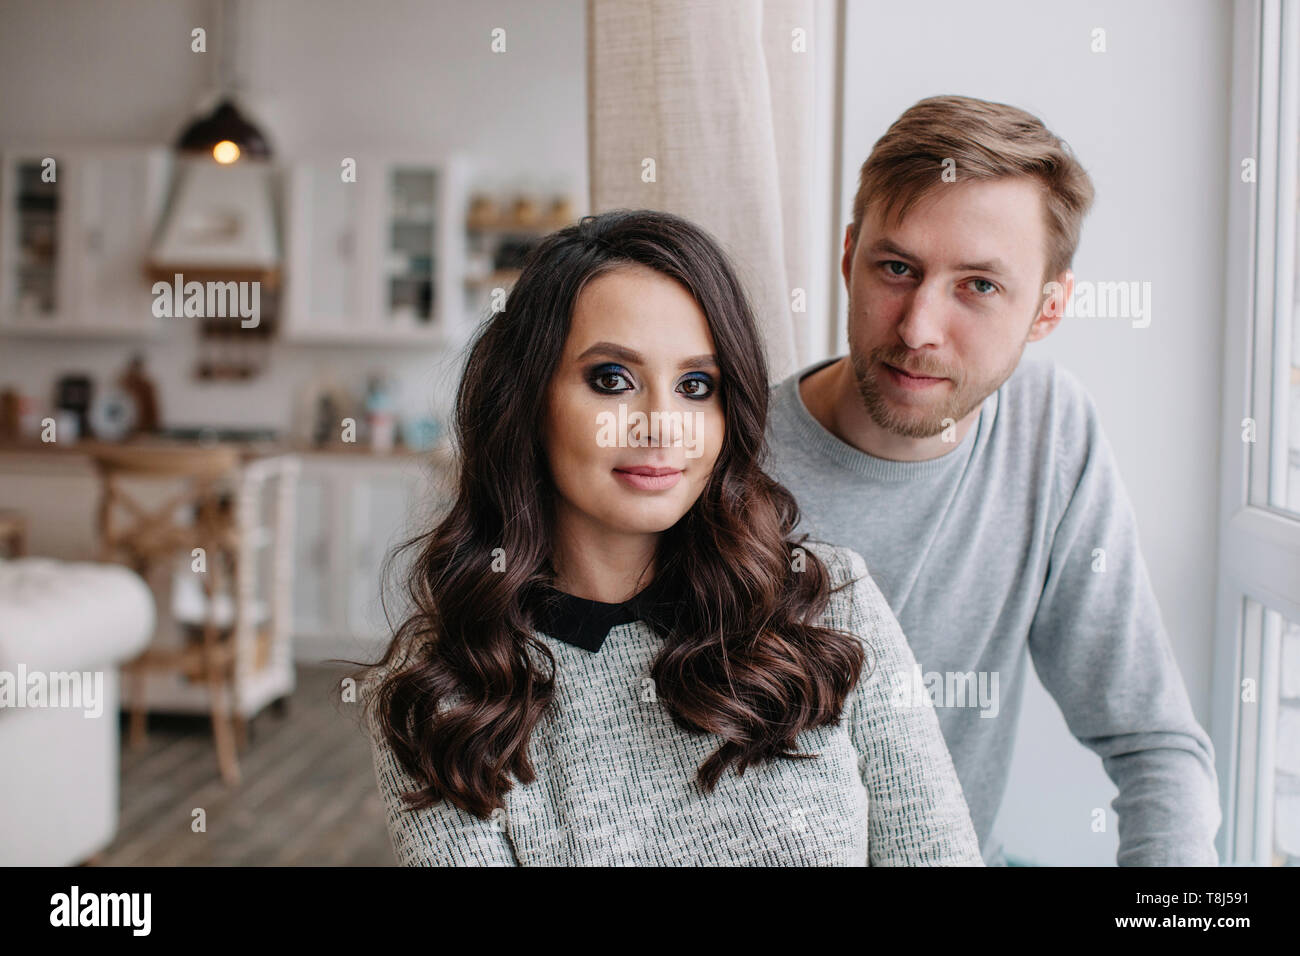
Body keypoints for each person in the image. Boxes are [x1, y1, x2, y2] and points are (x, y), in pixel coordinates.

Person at [357, 208, 984, 866]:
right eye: (612, 380)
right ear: (528, 399)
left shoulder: (830, 603)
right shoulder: (439, 696)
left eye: (695, 386)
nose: (662, 427)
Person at [763, 94, 1221, 866]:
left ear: (1048, 309)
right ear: (848, 259)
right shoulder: (728, 460)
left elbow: (1154, 743)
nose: (917, 329)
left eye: (978, 285)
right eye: (896, 268)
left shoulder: (1052, 430)